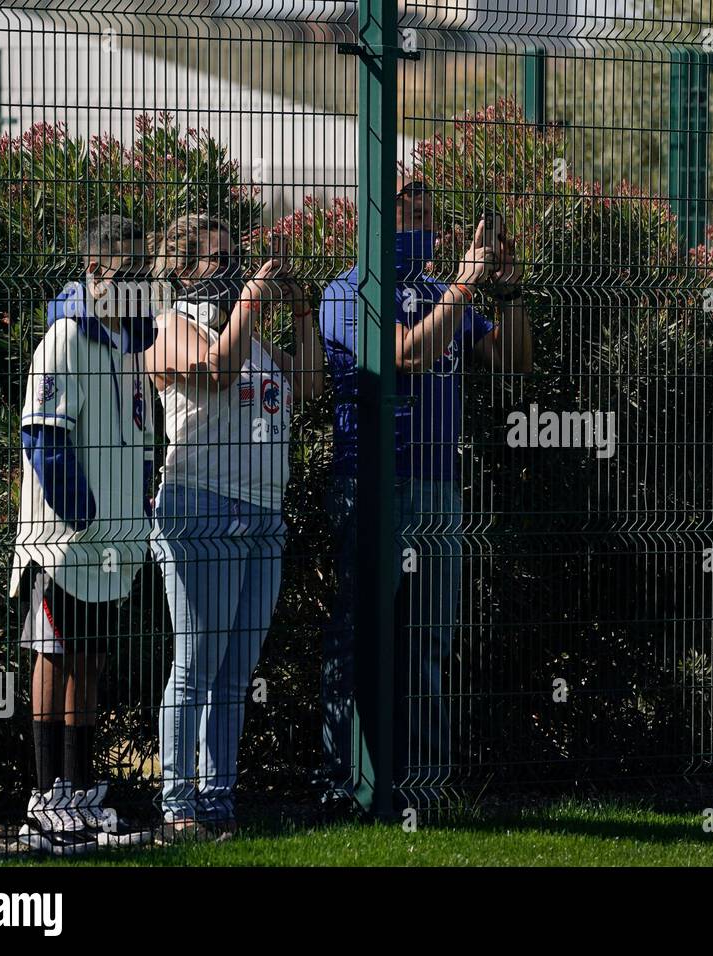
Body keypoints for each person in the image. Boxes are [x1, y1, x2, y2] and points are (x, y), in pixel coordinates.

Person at [318, 175, 532, 807]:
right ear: (378, 221)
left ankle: (424, 785)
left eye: (432, 218)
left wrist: (509, 285)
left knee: (429, 639)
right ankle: (345, 783)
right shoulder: (347, 292)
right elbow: (402, 355)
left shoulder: (443, 291)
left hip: (439, 488)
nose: (427, 229)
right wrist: (466, 285)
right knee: (360, 635)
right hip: (370, 485)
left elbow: (514, 358)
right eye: (412, 215)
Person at [142, 214, 324, 836]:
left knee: (236, 669)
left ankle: (218, 803)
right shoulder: (166, 328)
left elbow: (305, 385)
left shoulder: (247, 335)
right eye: (210, 260)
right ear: (180, 270)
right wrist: (251, 300)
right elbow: (216, 372)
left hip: (263, 513)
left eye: (232, 258)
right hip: (201, 506)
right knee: (196, 662)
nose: (226, 270)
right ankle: (177, 806)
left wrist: (301, 314)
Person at [12, 214, 158, 852]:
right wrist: (86, 517)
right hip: (65, 545)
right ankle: (45, 802)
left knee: (90, 663)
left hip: (113, 551)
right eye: (118, 265)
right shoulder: (66, 338)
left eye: (137, 264)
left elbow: (145, 437)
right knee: (54, 655)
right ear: (95, 270)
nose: (131, 276)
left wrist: (136, 512)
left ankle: (76, 789)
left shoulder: (133, 347)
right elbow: (44, 437)